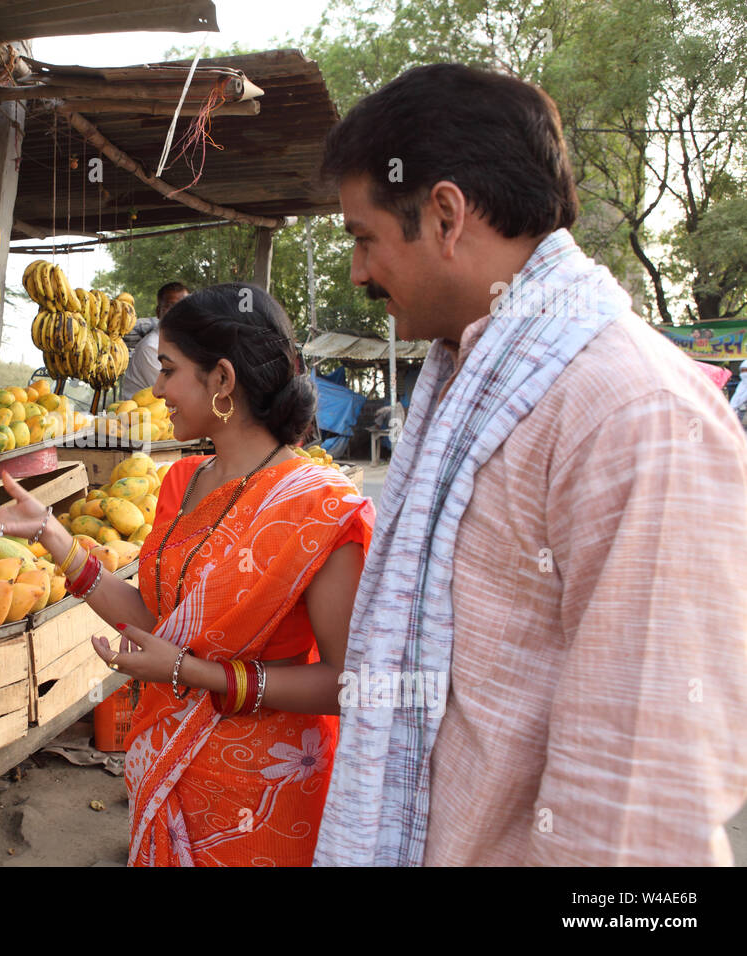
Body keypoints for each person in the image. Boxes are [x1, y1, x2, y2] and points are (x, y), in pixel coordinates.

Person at [313, 64, 747, 866]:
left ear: (444, 215)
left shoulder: (629, 412)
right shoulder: (468, 382)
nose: (358, 273)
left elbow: (639, 803)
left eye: (365, 238)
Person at [0, 283, 373, 866]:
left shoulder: (321, 507)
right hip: (171, 774)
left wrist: (192, 672)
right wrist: (52, 535)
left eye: (169, 370)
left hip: (268, 795)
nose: (155, 390)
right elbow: (160, 623)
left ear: (222, 380)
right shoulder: (182, 483)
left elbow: (349, 683)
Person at [119, 282, 190, 400]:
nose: (179, 313)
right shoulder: (150, 347)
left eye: (184, 307)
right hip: (141, 417)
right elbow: (175, 394)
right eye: (171, 306)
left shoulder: (184, 344)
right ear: (158, 312)